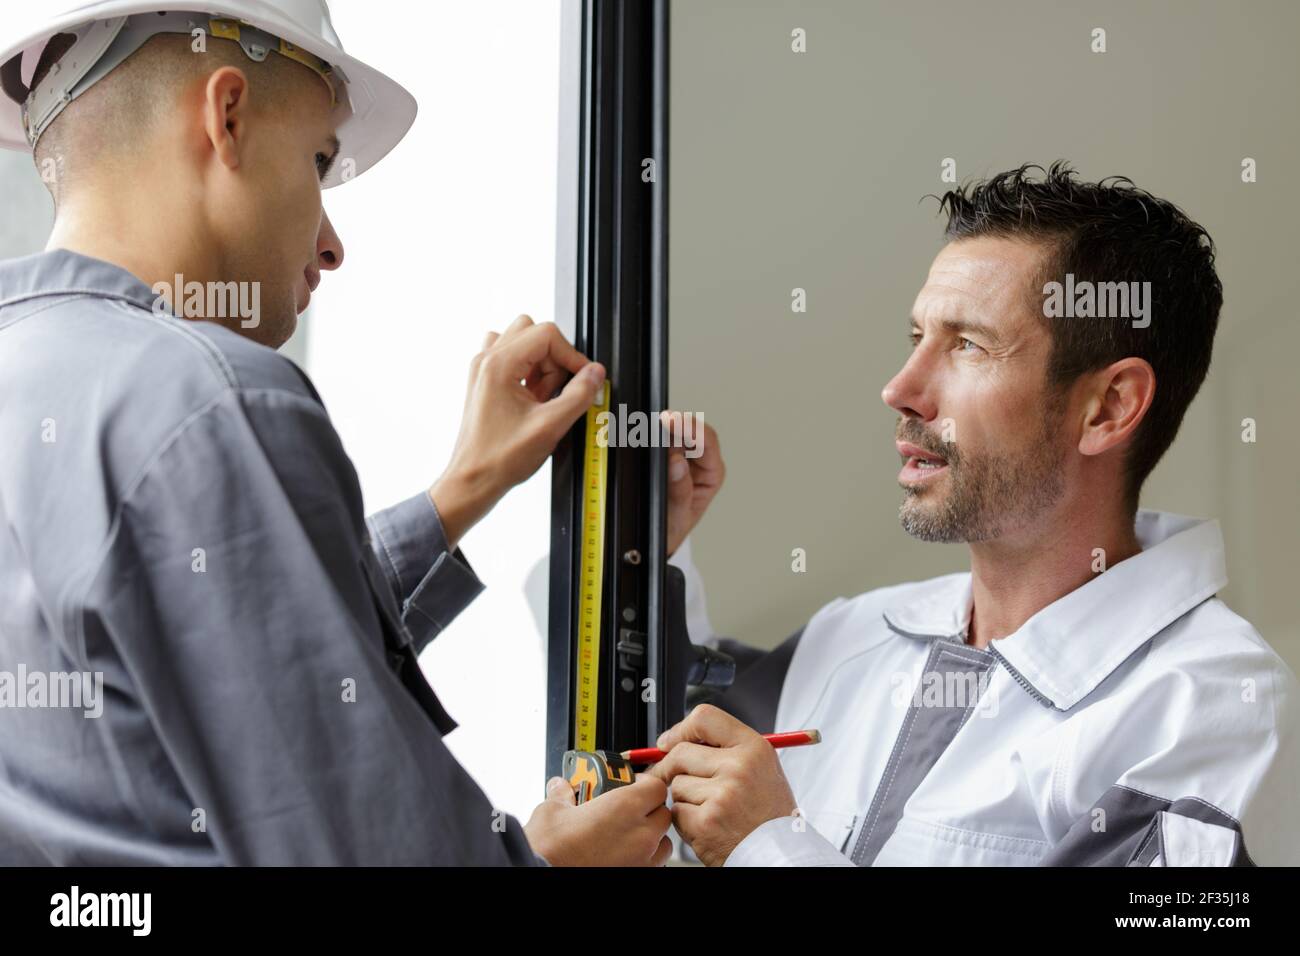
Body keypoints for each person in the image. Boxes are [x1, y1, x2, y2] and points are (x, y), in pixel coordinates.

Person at [0, 0, 684, 865]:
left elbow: (207, 638)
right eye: (320, 162)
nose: (332, 246)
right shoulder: (217, 403)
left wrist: (461, 492)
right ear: (229, 115)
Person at [652, 162, 1300, 866]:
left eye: (967, 345)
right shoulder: (852, 637)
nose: (901, 389)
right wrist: (646, 548)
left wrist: (769, 847)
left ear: (1109, 407)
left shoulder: (1211, 709)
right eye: (916, 338)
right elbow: (672, 738)